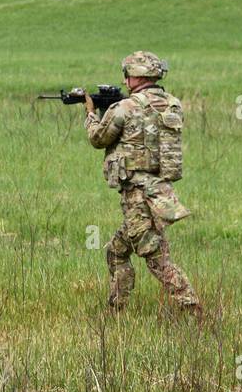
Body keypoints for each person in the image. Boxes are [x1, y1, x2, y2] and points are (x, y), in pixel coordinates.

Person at [84, 50, 200, 316]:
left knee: (156, 258)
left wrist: (91, 113)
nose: (125, 81)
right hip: (160, 193)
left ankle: (193, 310)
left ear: (136, 76)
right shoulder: (172, 104)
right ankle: (116, 310)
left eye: (127, 75)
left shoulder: (124, 108)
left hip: (137, 195)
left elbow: (98, 139)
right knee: (116, 250)